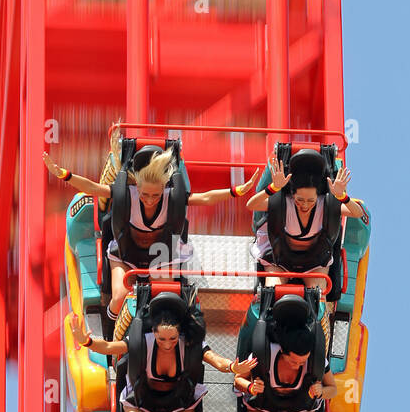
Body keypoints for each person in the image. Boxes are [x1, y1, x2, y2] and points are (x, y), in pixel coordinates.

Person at [44, 132, 259, 322]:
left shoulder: (170, 198)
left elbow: (205, 198)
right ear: (137, 186)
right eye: (145, 194)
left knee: (165, 295)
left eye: (155, 195)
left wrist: (237, 191)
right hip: (126, 253)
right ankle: (111, 334)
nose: (149, 200)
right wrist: (63, 174)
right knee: (119, 296)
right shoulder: (127, 194)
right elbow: (91, 187)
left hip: (161, 255)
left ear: (164, 188)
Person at [69, 303, 255, 412]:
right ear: (153, 332)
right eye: (161, 339)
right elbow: (110, 347)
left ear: (180, 333)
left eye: (173, 338)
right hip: (142, 400)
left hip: (178, 401)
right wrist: (86, 341)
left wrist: (232, 367)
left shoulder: (190, 342)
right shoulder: (144, 341)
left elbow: (217, 360)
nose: (167, 344)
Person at [247, 147, 367, 287]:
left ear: (318, 197)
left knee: (317, 294)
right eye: (300, 200)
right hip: (280, 258)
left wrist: (342, 197)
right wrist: (273, 187)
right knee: (273, 290)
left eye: (310, 201)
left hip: (314, 261)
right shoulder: (285, 203)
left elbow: (357, 213)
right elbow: (252, 204)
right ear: (293, 196)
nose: (305, 205)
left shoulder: (325, 205)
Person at [233, 315, 336, 412]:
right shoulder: (263, 355)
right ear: (282, 350)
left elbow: (333, 389)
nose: (297, 367)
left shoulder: (317, 361)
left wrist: (321, 391)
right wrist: (250, 387)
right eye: (292, 362)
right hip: (264, 406)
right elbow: (237, 380)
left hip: (300, 410)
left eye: (302, 363)